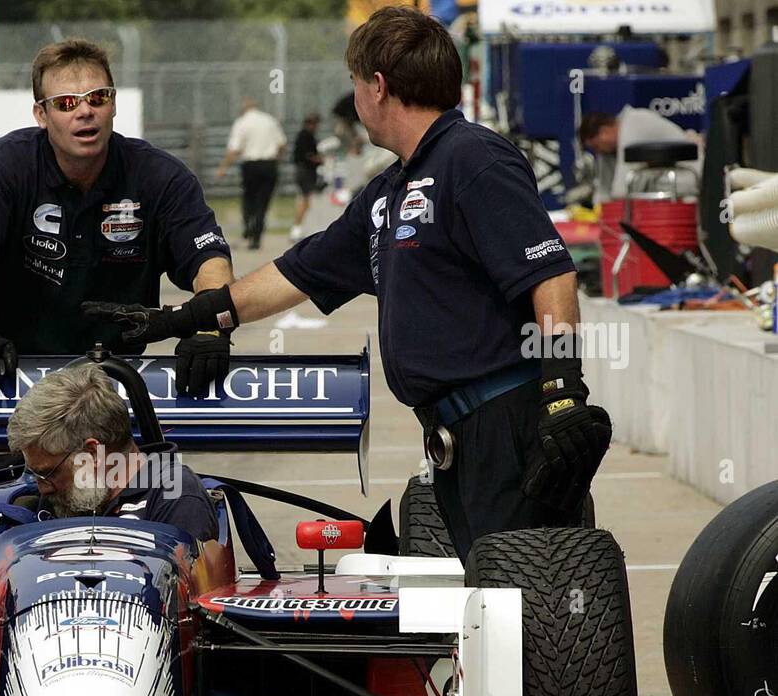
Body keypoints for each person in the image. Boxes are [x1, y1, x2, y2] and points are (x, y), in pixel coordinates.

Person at [84, 6, 611, 562]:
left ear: (377, 87)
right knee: (485, 599)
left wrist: (562, 389)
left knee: (524, 604)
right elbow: (295, 273)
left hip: (511, 424)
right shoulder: (389, 189)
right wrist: (184, 318)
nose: (355, 99)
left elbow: (549, 273)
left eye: (356, 84)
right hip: (455, 433)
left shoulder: (473, 157)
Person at [0, 38, 236, 491]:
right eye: (66, 103)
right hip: (11, 388)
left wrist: (210, 327)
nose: (85, 112)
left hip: (116, 396)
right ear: (41, 114)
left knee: (132, 525)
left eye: (98, 98)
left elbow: (209, 258)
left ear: (113, 104)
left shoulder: (160, 176)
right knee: (4, 528)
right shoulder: (5, 166)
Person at [6, 365, 218, 543]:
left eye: (49, 473)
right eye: (35, 474)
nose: (43, 489)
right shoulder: (40, 498)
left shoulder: (176, 496)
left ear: (92, 453)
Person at [579, 108, 701, 203]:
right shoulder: (609, 148)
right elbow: (603, 190)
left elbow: (622, 190)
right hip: (665, 183)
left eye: (596, 146)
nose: (597, 152)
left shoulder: (634, 124)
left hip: (688, 178)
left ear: (605, 131)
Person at [215, 98, 287, 249]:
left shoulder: (242, 123)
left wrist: (223, 167)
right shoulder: (270, 121)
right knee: (263, 201)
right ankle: (256, 236)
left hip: (250, 165)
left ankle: (248, 224)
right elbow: (281, 144)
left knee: (249, 198)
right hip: (269, 164)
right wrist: (277, 159)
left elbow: (234, 149)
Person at [290, 113, 324, 241]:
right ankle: (296, 228)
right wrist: (319, 160)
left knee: (306, 201)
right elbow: (307, 155)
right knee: (305, 200)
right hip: (305, 171)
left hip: (305, 171)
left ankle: (299, 228)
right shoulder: (305, 136)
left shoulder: (306, 135)